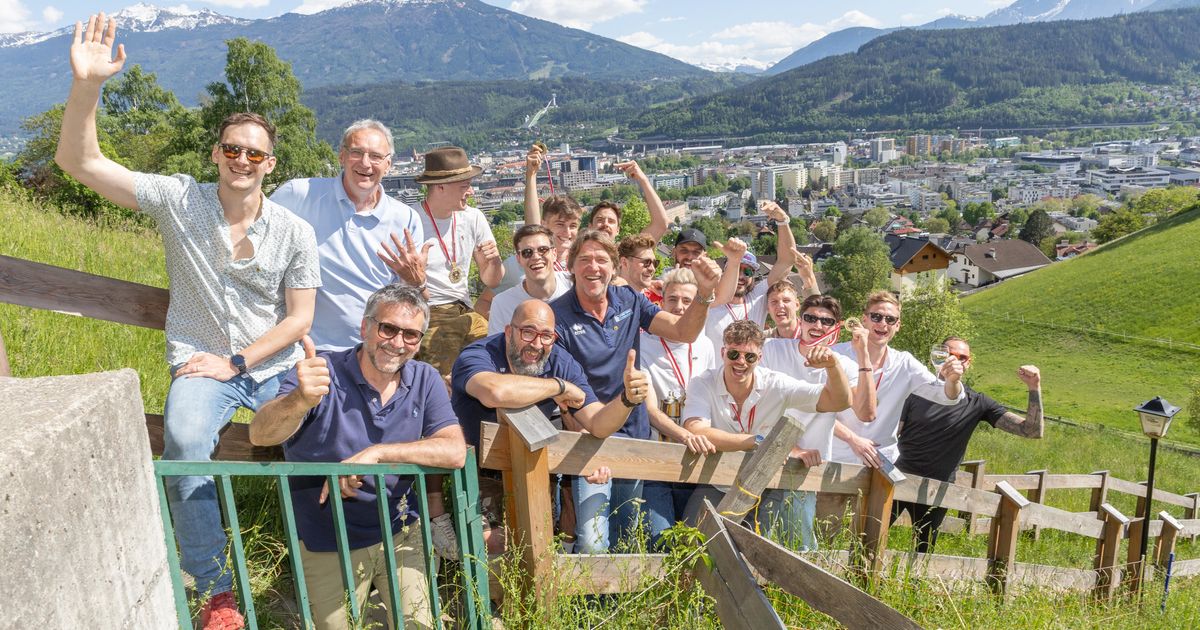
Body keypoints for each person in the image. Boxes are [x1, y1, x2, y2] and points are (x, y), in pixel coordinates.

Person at [55, 13, 320, 629]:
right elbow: (78, 159)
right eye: (232, 149)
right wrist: (88, 84)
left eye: (255, 153)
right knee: (182, 441)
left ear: (270, 163)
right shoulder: (180, 201)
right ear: (216, 154)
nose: (242, 160)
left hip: (268, 364)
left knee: (331, 426)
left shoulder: (295, 232)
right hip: (203, 364)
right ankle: (216, 590)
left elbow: (300, 316)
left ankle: (331, 559)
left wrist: (242, 360)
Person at [249, 285, 464, 630]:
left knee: (420, 625)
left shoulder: (424, 378)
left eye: (411, 335)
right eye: (388, 328)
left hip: (400, 531)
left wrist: (377, 454)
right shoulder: (323, 372)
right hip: (328, 539)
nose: (397, 342)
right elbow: (260, 434)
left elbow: (454, 451)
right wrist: (299, 401)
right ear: (365, 327)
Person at [550, 229, 721, 553]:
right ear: (571, 266)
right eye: (584, 259)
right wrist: (585, 455)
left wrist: (705, 294)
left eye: (601, 259)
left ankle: (620, 605)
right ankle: (589, 605)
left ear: (614, 267)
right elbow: (564, 398)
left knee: (630, 540)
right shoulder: (557, 315)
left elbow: (683, 331)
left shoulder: (628, 299)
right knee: (593, 544)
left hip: (635, 438)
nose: (593, 267)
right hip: (589, 441)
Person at [451, 299, 648, 550]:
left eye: (546, 336)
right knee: (492, 546)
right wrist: (558, 387)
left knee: (538, 544)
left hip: (534, 469)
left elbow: (598, 423)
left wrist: (626, 400)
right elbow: (495, 392)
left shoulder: (560, 360)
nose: (536, 344)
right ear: (509, 331)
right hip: (479, 471)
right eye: (528, 332)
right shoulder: (478, 355)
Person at [680, 320, 853, 545]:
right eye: (734, 354)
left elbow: (839, 401)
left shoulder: (776, 383)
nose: (741, 362)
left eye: (749, 356)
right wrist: (756, 441)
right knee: (689, 541)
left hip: (767, 485)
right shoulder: (703, 383)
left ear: (759, 359)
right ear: (723, 352)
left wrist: (833, 366)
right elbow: (696, 429)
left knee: (780, 543)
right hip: (718, 482)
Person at [271, 119, 425, 351]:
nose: (365, 163)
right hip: (305, 349)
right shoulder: (299, 195)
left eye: (375, 156)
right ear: (341, 156)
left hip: (373, 352)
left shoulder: (406, 219)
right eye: (357, 153)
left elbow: (417, 299)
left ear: (388, 164)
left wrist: (417, 282)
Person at [892, 338, 1044, 553]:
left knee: (924, 551)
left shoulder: (977, 402)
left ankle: (911, 586)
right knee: (870, 536)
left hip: (938, 487)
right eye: (950, 355)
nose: (956, 361)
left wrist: (1034, 387)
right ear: (938, 357)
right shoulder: (915, 392)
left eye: (962, 357)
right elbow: (891, 432)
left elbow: (1032, 431)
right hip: (898, 478)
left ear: (968, 363)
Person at [758, 294, 874, 548]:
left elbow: (865, 413)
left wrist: (863, 355)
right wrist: (790, 448)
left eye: (827, 322)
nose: (818, 326)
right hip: (762, 453)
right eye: (811, 318)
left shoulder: (843, 365)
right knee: (754, 539)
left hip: (806, 468)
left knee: (799, 547)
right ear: (801, 320)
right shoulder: (772, 350)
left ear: (837, 327)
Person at [390, 146, 503, 375]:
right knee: (446, 376)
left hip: (465, 309)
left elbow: (492, 280)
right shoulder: (409, 221)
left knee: (498, 362)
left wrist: (493, 263)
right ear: (440, 187)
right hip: (427, 311)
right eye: (464, 186)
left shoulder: (473, 217)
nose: (470, 192)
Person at [829, 291, 965, 468]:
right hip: (835, 455)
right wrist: (853, 439)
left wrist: (953, 381)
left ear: (898, 325)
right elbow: (814, 410)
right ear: (864, 320)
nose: (883, 324)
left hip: (881, 460)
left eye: (890, 319)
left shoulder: (904, 363)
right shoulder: (836, 355)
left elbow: (945, 396)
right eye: (876, 317)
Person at [638, 269, 717, 547]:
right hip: (656, 458)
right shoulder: (643, 344)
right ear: (661, 302)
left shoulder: (705, 345)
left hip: (695, 460)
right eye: (672, 300)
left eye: (687, 300)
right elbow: (647, 409)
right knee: (659, 541)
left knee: (693, 541)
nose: (680, 307)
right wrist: (685, 435)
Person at [702, 205, 796, 365]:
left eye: (748, 272)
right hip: (715, 382)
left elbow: (787, 261)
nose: (741, 276)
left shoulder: (757, 297)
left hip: (750, 379)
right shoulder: (708, 301)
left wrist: (782, 221)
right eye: (737, 269)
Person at [486, 225, 572, 335]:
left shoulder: (574, 285)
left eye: (543, 250)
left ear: (554, 254)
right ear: (519, 259)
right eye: (527, 252)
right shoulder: (502, 304)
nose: (536, 257)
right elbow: (496, 349)